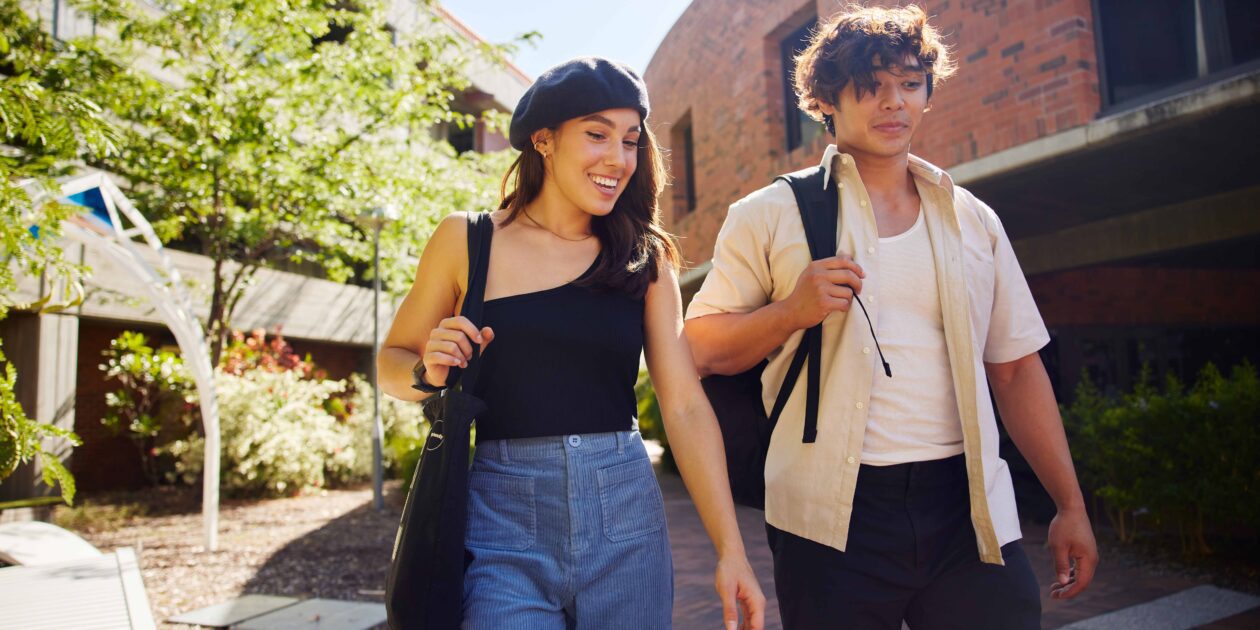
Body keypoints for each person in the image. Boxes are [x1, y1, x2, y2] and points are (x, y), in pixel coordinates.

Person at [683, 6, 1098, 629]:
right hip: (831, 515)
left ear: (928, 91)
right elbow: (700, 349)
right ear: (825, 99)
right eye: (870, 87)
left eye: (908, 83)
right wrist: (791, 311)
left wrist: (1070, 504)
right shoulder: (769, 213)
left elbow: (1014, 369)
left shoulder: (973, 219)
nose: (892, 103)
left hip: (968, 506)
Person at [378, 57, 764, 630]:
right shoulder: (468, 239)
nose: (618, 158)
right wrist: (428, 372)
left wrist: (732, 550)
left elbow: (683, 405)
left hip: (626, 515)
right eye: (596, 135)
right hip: (502, 521)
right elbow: (390, 363)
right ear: (544, 140)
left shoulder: (646, 257)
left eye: (631, 141)